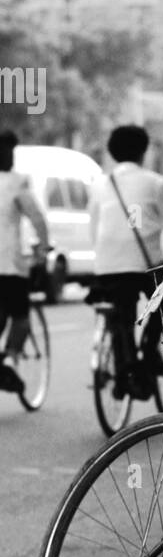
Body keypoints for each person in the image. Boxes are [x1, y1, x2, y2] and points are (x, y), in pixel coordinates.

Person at [89, 124, 163, 400]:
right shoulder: (155, 182)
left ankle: (125, 365)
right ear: (143, 151)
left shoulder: (99, 185)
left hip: (106, 266)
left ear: (112, 152)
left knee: (121, 313)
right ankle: (147, 351)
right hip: (144, 265)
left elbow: (94, 228)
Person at [0, 130, 50, 393]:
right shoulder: (16, 182)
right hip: (8, 265)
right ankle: (8, 359)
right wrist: (43, 248)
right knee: (21, 319)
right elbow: (37, 218)